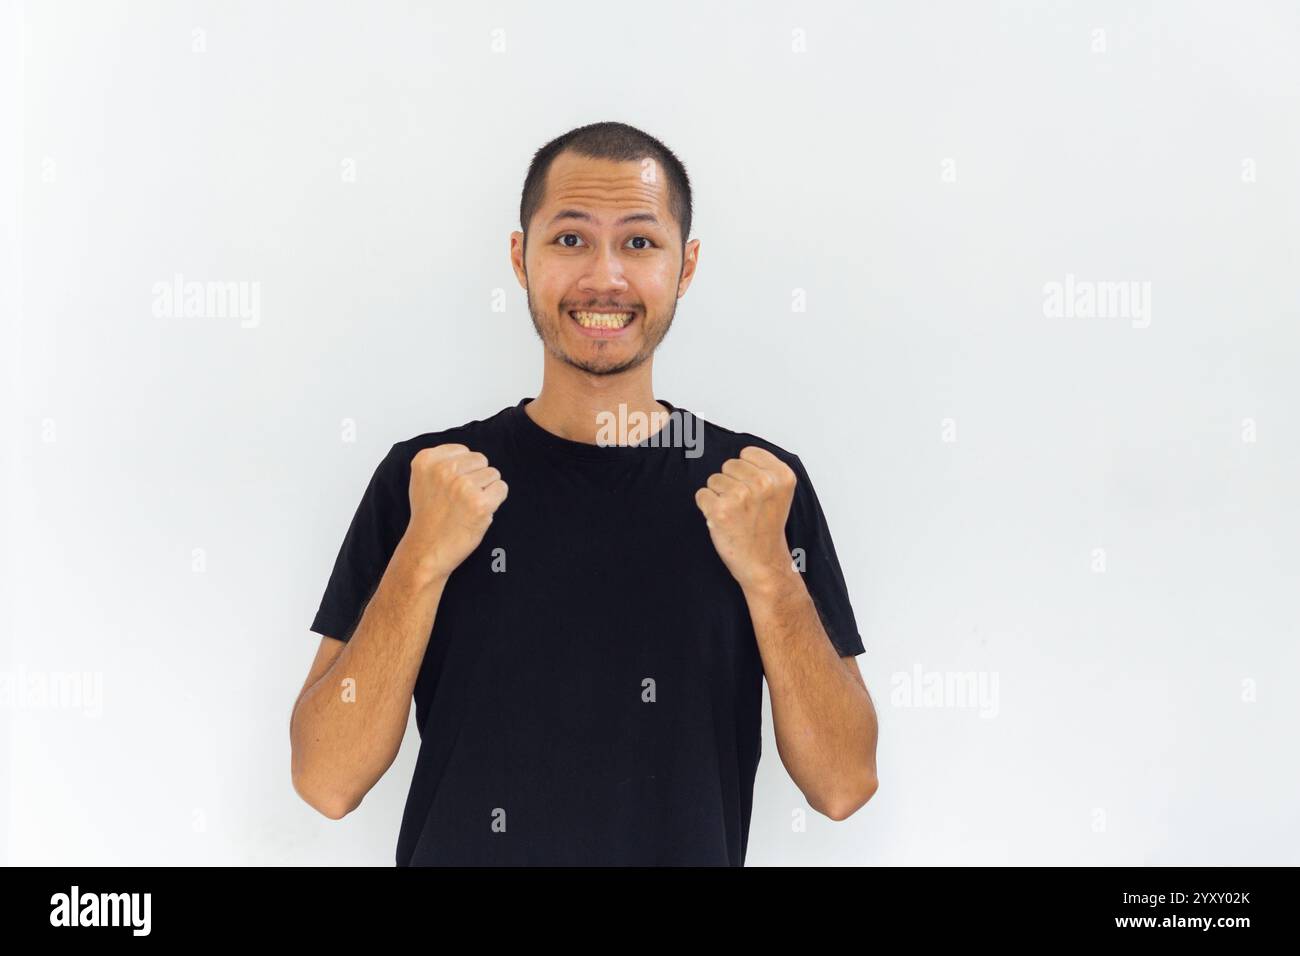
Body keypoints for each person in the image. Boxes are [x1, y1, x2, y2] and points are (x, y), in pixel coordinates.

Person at [289, 121, 879, 865]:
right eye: (570, 240)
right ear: (520, 258)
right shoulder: (425, 481)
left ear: (685, 266)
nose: (605, 277)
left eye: (640, 242)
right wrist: (419, 563)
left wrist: (771, 576)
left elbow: (844, 783)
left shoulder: (761, 490)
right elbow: (325, 779)